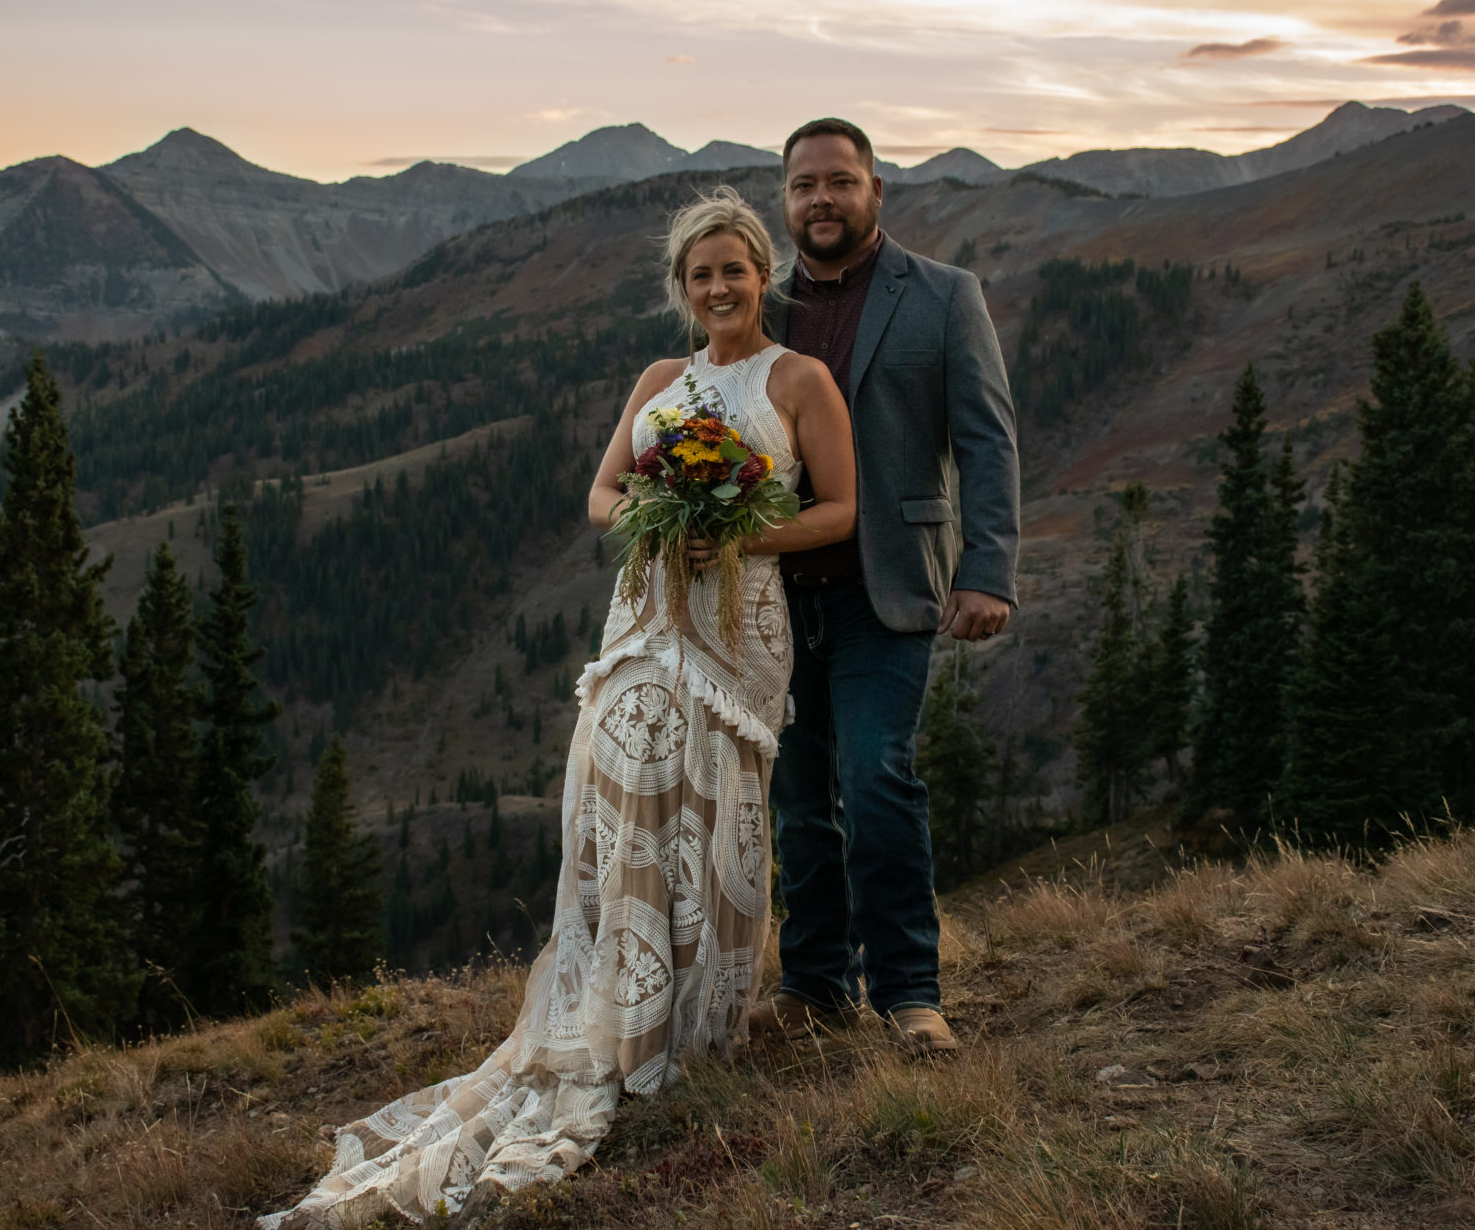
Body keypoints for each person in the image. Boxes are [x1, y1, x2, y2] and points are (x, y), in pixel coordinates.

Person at [260, 186, 855, 1228]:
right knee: (622, 801)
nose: (717, 287)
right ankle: (616, 1017)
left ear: (763, 275)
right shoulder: (659, 379)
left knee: (711, 809)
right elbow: (599, 497)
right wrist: (662, 511)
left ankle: (694, 1026)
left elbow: (837, 510)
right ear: (681, 288)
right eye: (698, 274)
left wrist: (739, 534)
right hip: (641, 617)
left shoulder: (799, 379)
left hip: (738, 627)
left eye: (734, 269)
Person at [750, 117, 1020, 1056]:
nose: (820, 199)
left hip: (888, 593)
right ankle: (814, 983)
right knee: (797, 799)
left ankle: (910, 994)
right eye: (802, 187)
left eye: (839, 181)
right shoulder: (762, 307)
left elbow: (986, 440)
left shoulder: (944, 297)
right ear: (784, 202)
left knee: (876, 782)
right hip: (772, 597)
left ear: (876, 190)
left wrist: (989, 571)